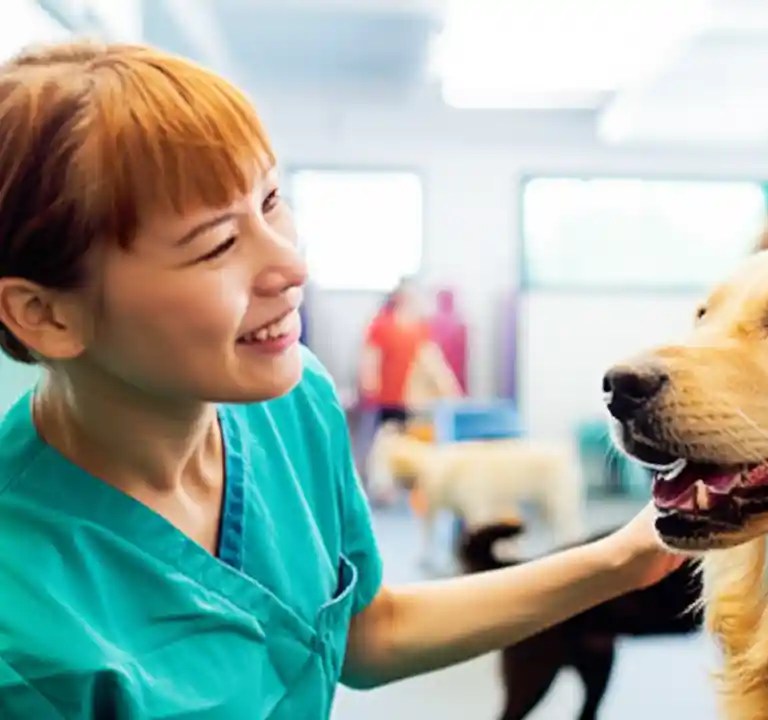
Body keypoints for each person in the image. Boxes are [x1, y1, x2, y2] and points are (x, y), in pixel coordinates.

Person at [0, 41, 681, 718]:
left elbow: (367, 632)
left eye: (271, 202)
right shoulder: (24, 632)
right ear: (46, 314)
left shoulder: (293, 403)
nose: (292, 267)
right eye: (216, 244)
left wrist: (624, 558)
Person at [361, 277, 461, 427]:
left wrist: (449, 389)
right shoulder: (382, 325)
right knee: (387, 434)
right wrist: (369, 384)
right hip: (387, 398)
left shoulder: (420, 327)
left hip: (410, 399)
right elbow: (371, 357)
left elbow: (431, 360)